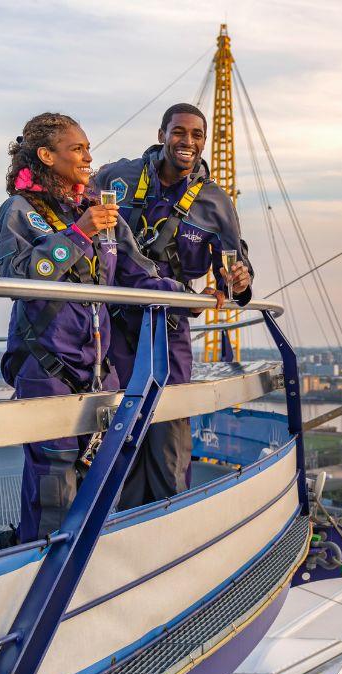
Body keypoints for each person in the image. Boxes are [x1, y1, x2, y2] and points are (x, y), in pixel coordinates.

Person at [0, 112, 185, 550]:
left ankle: (63, 566)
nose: (88, 157)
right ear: (46, 155)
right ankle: (35, 576)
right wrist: (78, 233)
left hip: (100, 371)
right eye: (77, 149)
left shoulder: (99, 212)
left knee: (99, 483)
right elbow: (20, 274)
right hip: (46, 368)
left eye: (88, 148)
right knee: (53, 488)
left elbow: (138, 274)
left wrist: (191, 296)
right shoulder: (19, 212)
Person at [93, 102, 253, 509]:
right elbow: (79, 216)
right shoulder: (118, 177)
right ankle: (116, 520)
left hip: (170, 325)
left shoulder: (215, 203)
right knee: (120, 420)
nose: (188, 141)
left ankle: (168, 517)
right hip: (115, 321)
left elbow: (233, 264)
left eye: (197, 135)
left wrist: (236, 280)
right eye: (179, 132)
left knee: (168, 426)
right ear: (162, 133)